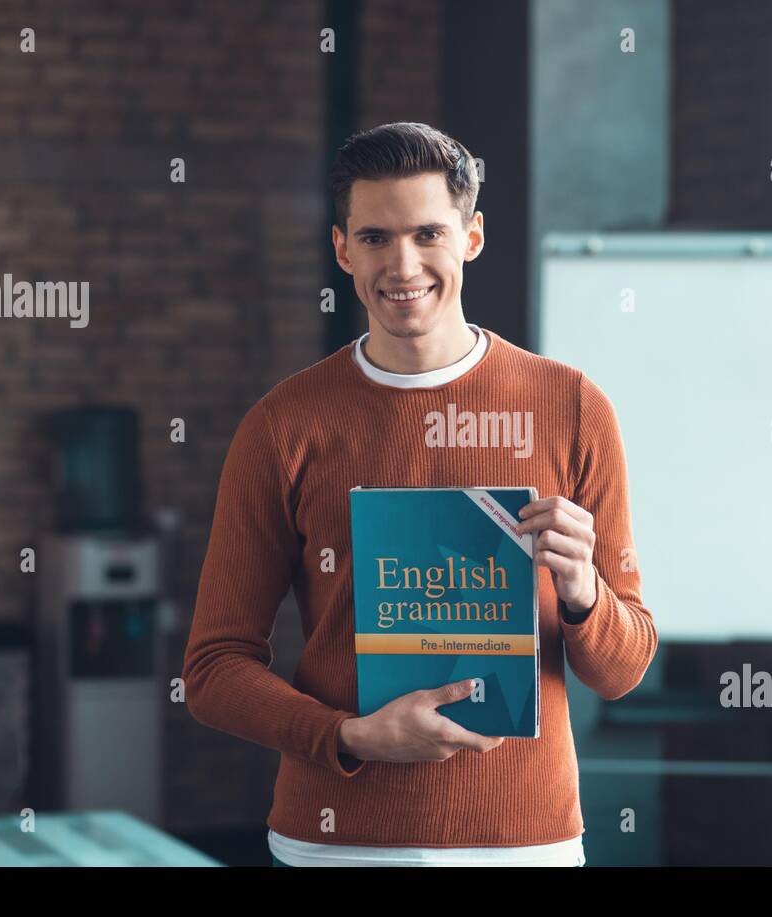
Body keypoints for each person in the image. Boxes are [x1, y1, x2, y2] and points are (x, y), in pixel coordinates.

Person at [182, 121, 657, 866]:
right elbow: (213, 670)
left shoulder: (572, 407)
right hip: (338, 843)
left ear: (471, 237)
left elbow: (624, 671)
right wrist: (349, 736)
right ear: (341, 249)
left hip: (525, 843)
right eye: (374, 238)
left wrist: (583, 593)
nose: (402, 265)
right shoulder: (284, 426)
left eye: (428, 233)